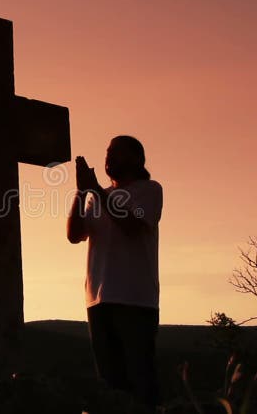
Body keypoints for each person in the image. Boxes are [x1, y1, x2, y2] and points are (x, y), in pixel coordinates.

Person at [67, 135, 163, 409]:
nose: (108, 158)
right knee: (109, 383)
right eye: (107, 152)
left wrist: (95, 190)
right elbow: (74, 235)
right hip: (98, 299)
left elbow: (132, 226)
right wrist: (82, 191)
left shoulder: (150, 190)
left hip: (135, 299)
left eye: (115, 152)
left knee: (140, 380)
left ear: (136, 158)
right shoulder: (97, 196)